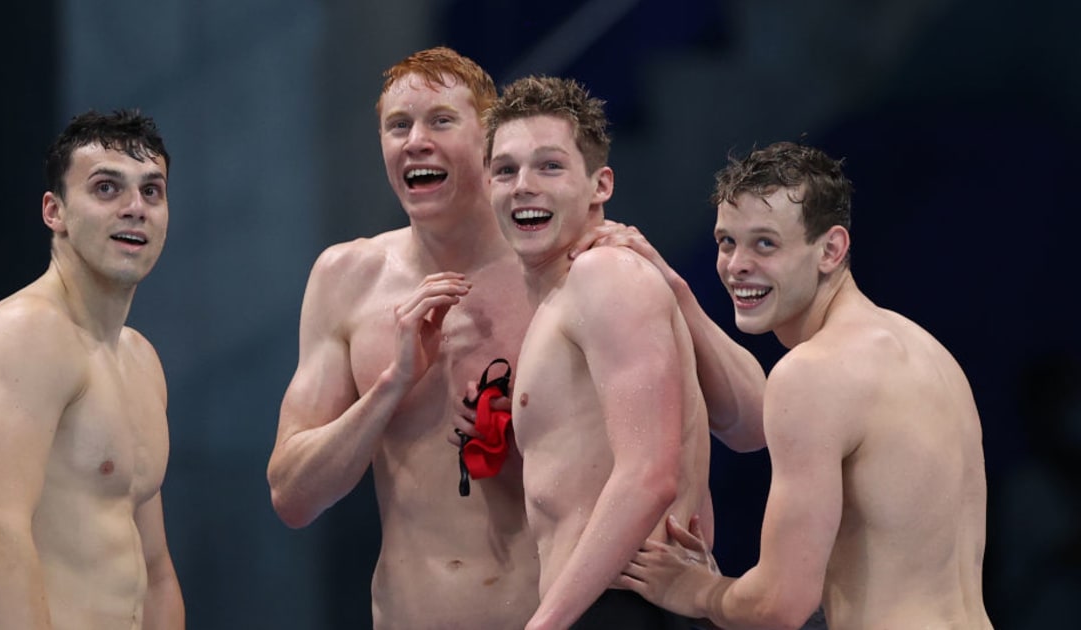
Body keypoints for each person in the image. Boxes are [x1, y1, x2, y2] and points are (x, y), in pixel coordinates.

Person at [267, 48, 765, 630]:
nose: (416, 141)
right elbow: (293, 498)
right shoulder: (346, 279)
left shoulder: (575, 263)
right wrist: (389, 388)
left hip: (560, 613)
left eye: (441, 121)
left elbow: (747, 426)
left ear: (485, 145)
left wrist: (680, 294)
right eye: (398, 126)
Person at [617, 141, 993, 629]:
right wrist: (681, 297)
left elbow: (779, 604)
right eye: (726, 242)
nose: (736, 265)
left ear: (831, 249)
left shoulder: (812, 373)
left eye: (765, 243)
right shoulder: (927, 353)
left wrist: (694, 588)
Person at [484, 75, 712, 630]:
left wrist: (546, 624)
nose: (523, 186)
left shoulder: (606, 275)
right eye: (506, 170)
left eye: (549, 166)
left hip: (624, 608)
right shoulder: (562, 298)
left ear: (599, 184)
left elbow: (649, 473)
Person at [0, 109, 184, 629]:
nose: (135, 208)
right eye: (106, 188)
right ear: (54, 211)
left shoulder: (140, 359)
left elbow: (155, 567)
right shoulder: (26, 333)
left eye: (152, 191)